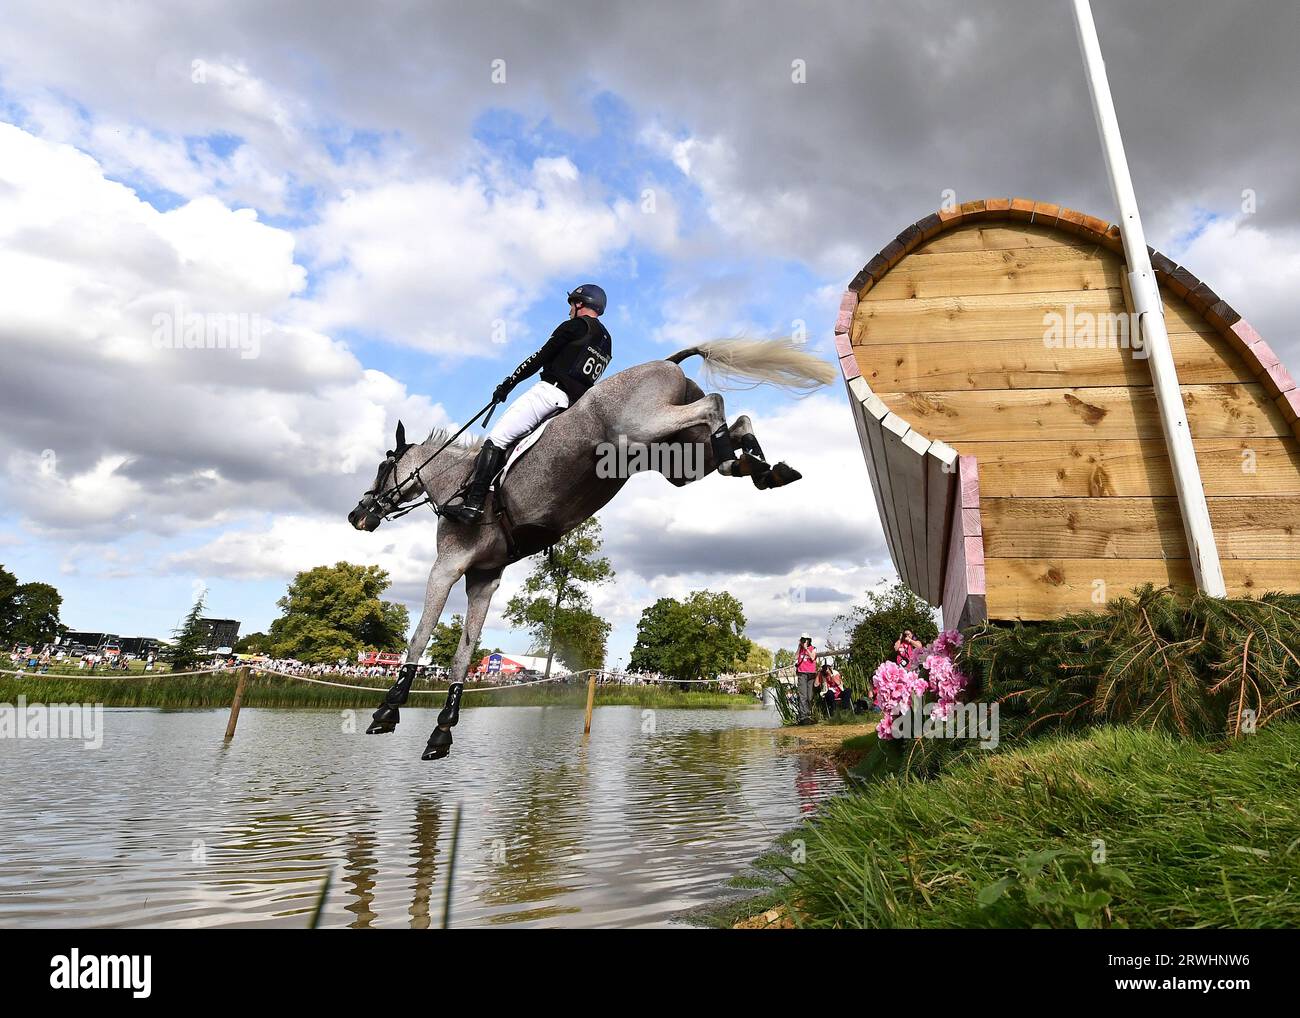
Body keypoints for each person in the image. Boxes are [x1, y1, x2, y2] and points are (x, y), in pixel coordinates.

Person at [442, 284, 612, 524]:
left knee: (496, 439)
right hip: (575, 406)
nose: (569, 310)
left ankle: (473, 505)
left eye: (572, 304)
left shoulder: (574, 326)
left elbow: (539, 358)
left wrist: (508, 384)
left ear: (580, 303)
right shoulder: (607, 341)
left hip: (548, 394)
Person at [795, 633, 818, 724]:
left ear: (809, 640)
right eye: (803, 639)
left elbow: (812, 657)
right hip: (802, 673)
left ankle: (809, 713)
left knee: (810, 696)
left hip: (811, 674)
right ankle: (803, 716)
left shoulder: (813, 648)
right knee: (803, 696)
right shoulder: (800, 649)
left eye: (806, 639)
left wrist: (806, 649)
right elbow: (796, 657)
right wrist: (799, 647)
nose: (805, 641)